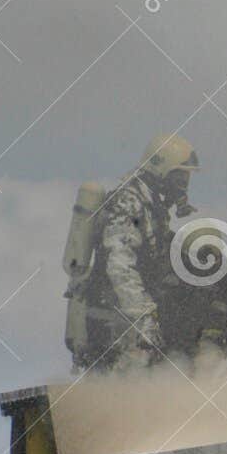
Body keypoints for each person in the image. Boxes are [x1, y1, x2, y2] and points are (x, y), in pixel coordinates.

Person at [73, 133, 202, 369]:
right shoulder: (129, 202)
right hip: (113, 322)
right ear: (163, 171)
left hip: (125, 319)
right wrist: (143, 319)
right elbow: (119, 265)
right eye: (180, 178)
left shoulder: (151, 205)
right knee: (121, 389)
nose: (184, 186)